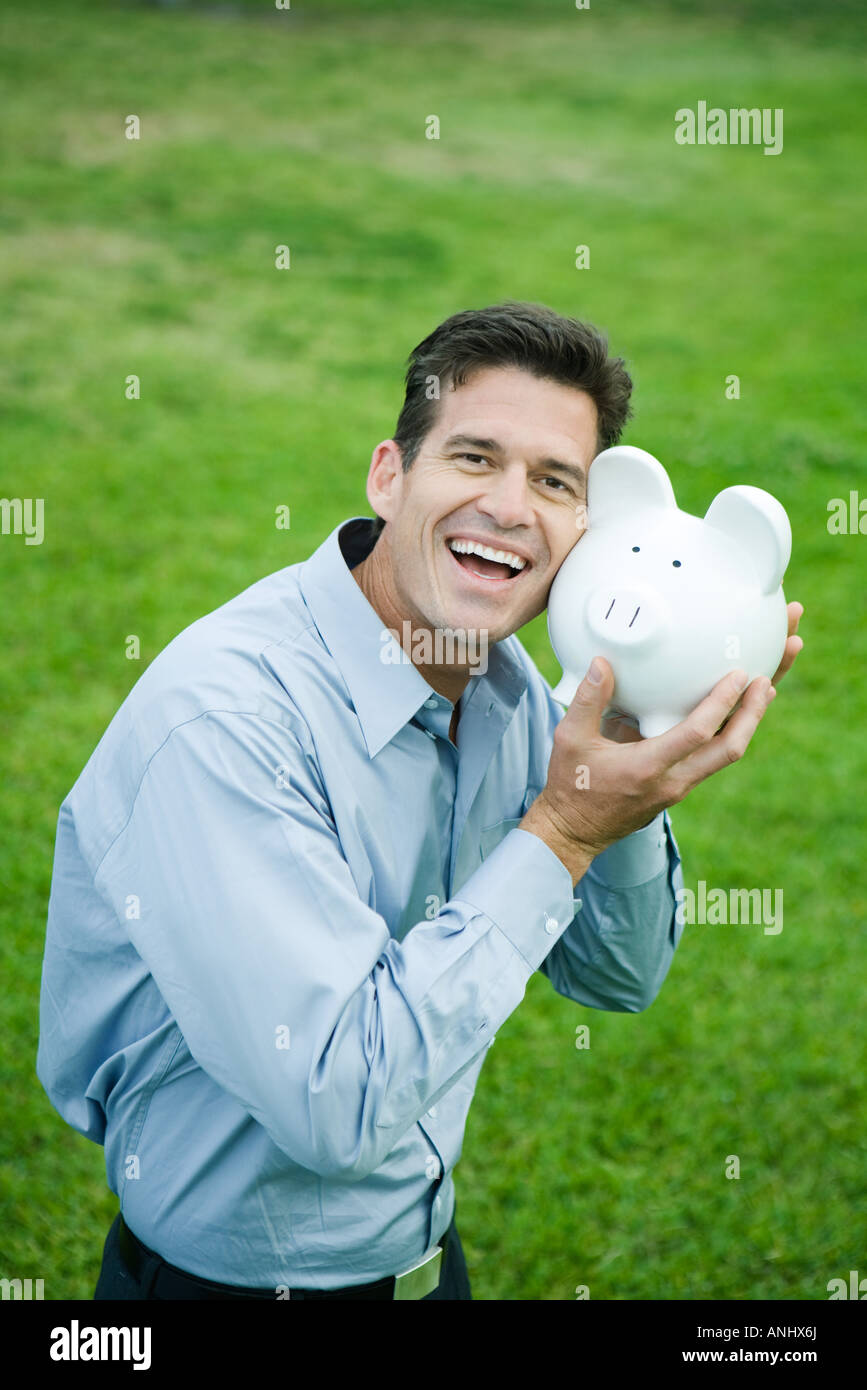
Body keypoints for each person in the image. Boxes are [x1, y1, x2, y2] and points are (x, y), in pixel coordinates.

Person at [36, 301, 803, 1301]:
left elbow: (616, 973)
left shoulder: (511, 690)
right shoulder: (225, 722)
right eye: (474, 458)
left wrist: (630, 756)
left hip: (428, 1264)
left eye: (555, 481)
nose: (512, 505)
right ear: (390, 476)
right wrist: (564, 828)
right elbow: (336, 1103)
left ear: (588, 526)